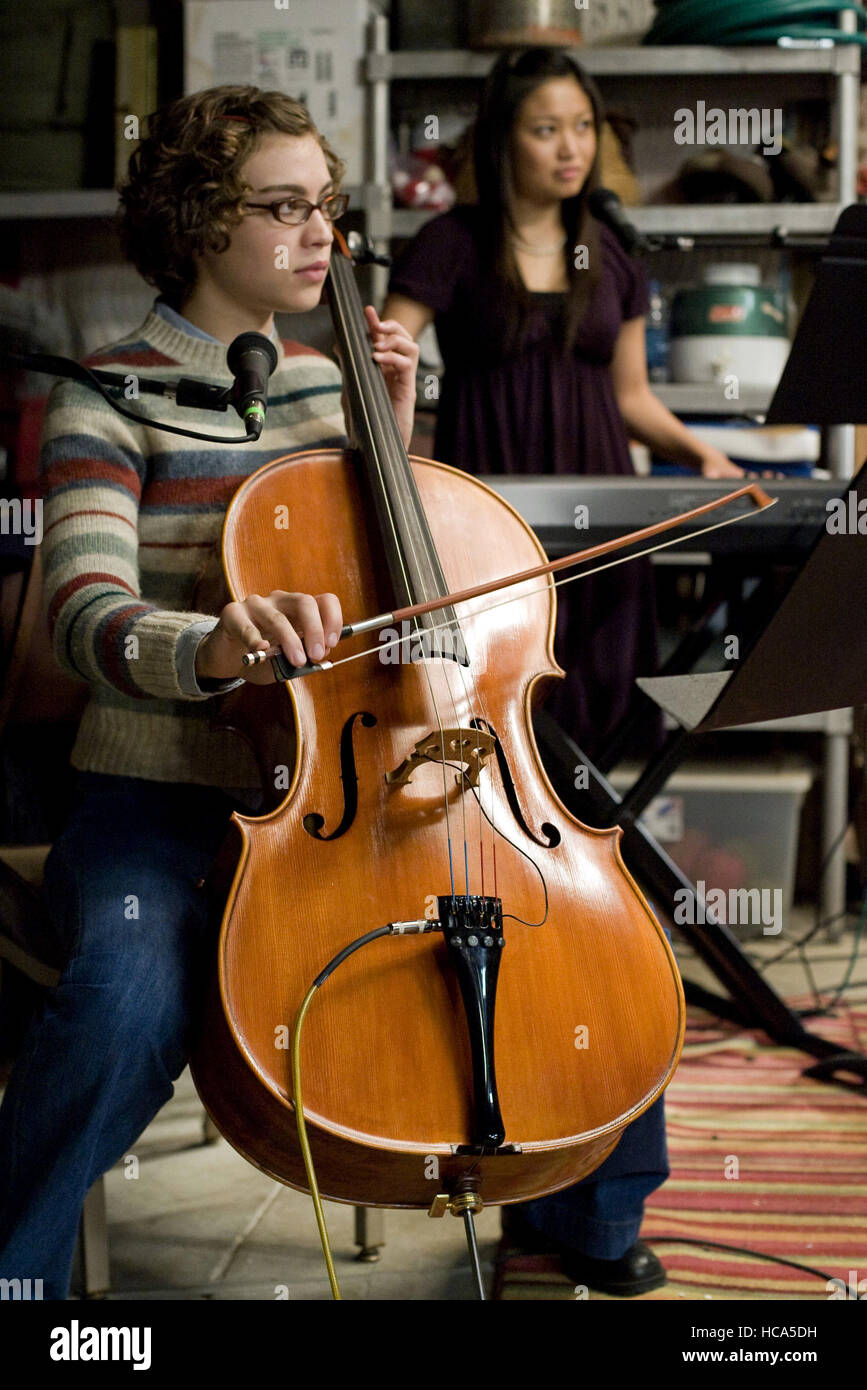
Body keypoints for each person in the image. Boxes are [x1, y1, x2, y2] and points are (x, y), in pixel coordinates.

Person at [0, 85, 418, 1301]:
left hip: (326, 788)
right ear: (196, 220)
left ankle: (586, 1224)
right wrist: (216, 648)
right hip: (152, 798)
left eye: (326, 208)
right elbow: (83, 616)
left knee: (534, 925)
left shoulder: (325, 387)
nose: (320, 238)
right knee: (124, 1003)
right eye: (283, 208)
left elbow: (397, 602)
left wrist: (390, 433)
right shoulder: (102, 394)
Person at [383, 47, 742, 1295]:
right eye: (544, 128)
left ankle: (581, 1180)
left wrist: (703, 452)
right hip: (492, 543)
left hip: (603, 559)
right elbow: (398, 365)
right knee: (516, 817)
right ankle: (542, 1163)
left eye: (582, 126)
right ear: (503, 137)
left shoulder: (613, 251)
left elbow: (630, 395)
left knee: (591, 818)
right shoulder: (450, 243)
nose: (569, 148)